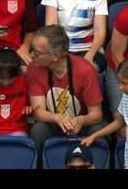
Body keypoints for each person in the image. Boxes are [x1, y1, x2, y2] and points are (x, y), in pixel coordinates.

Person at [26, 24, 104, 157]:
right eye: (32, 49)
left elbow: (96, 114)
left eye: (37, 52)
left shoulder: (84, 70)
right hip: (53, 123)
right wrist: (57, 118)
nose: (31, 55)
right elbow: (38, 113)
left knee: (99, 129)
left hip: (81, 123)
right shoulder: (34, 68)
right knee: (38, 130)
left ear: (55, 55)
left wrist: (80, 120)